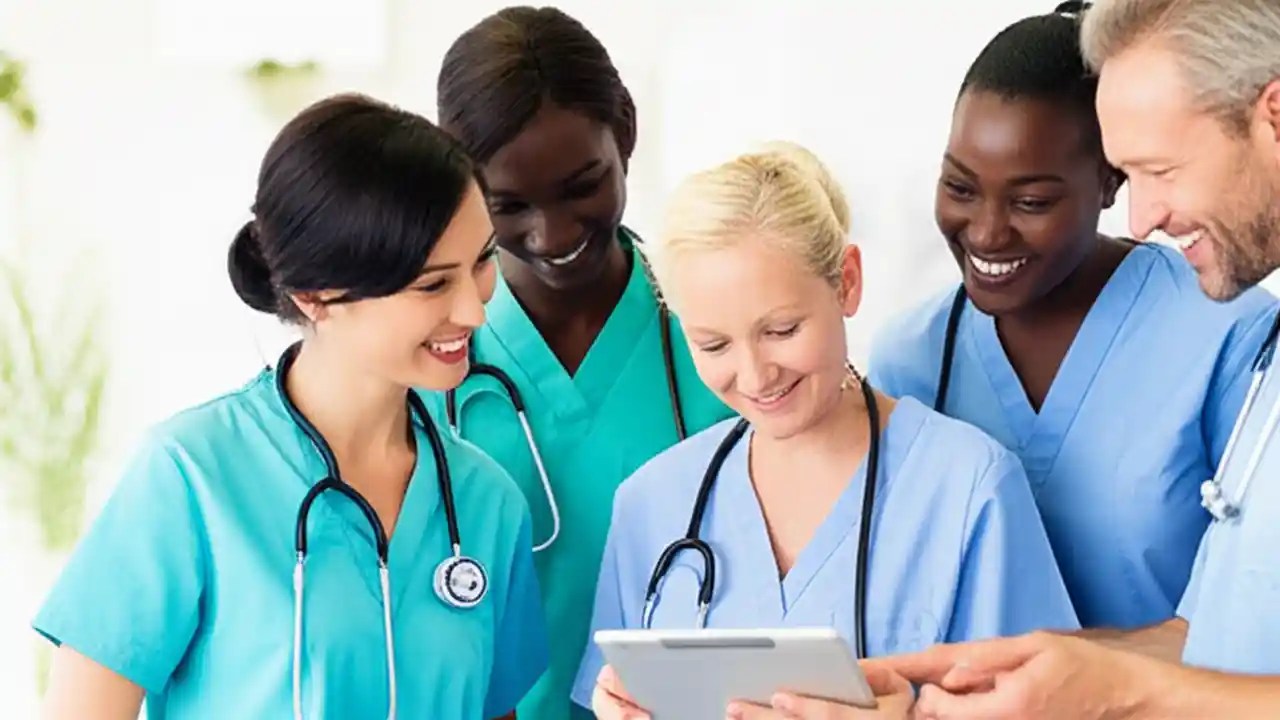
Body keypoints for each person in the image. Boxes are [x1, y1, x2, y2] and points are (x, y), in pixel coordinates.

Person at [33, 94, 548, 719]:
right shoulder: (191, 475)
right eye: (433, 284)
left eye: (483, 261)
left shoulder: (486, 502)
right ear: (314, 296)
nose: (473, 309)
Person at [575, 142, 1080, 720]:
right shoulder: (654, 503)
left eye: (782, 329)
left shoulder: (968, 488)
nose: (755, 375)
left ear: (847, 281)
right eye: (712, 344)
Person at [882, 0, 1280, 717]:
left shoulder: (1231, 333)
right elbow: (1211, 633)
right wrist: (1015, 673)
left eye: (1159, 169)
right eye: (961, 185)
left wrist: (1108, 690)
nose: (1142, 218)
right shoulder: (913, 356)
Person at [431, 8, 733, 720]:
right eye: (509, 205)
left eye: (581, 186)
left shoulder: (718, 336)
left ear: (625, 132)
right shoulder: (426, 362)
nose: (553, 234)